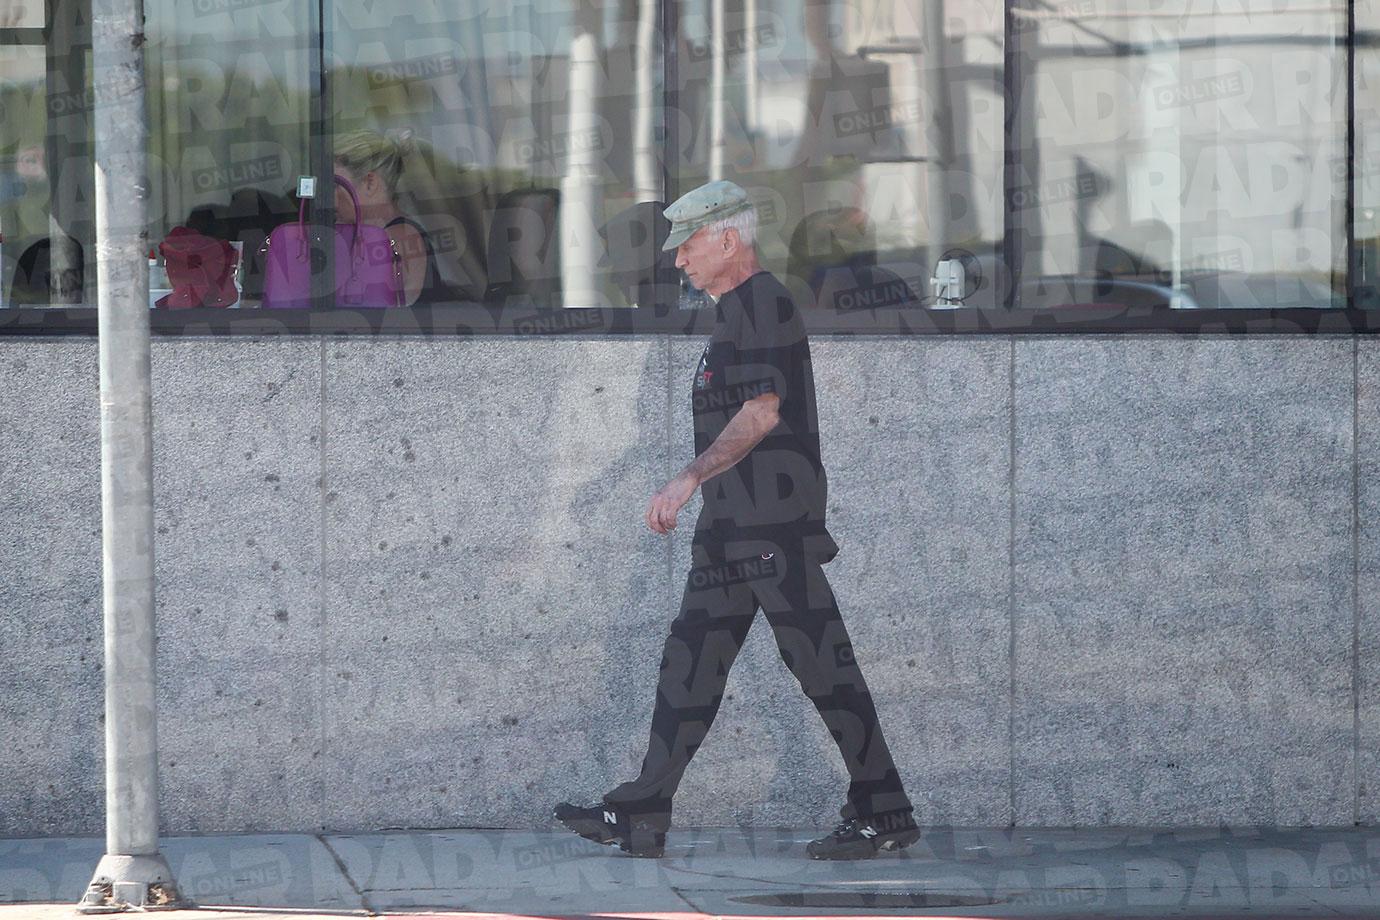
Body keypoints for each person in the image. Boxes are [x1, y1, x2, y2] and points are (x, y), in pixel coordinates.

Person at [554, 180, 918, 860]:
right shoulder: (733, 314)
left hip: (772, 527)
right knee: (688, 668)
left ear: (728, 239)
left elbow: (762, 412)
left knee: (823, 670)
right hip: (731, 529)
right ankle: (642, 812)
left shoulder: (764, 305)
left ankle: (884, 810)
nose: (679, 261)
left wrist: (689, 477)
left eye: (689, 245)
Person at [333, 129, 444, 306]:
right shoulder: (395, 233)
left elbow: (359, 314)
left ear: (370, 183)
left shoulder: (393, 239)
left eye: (336, 185)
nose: (328, 198)